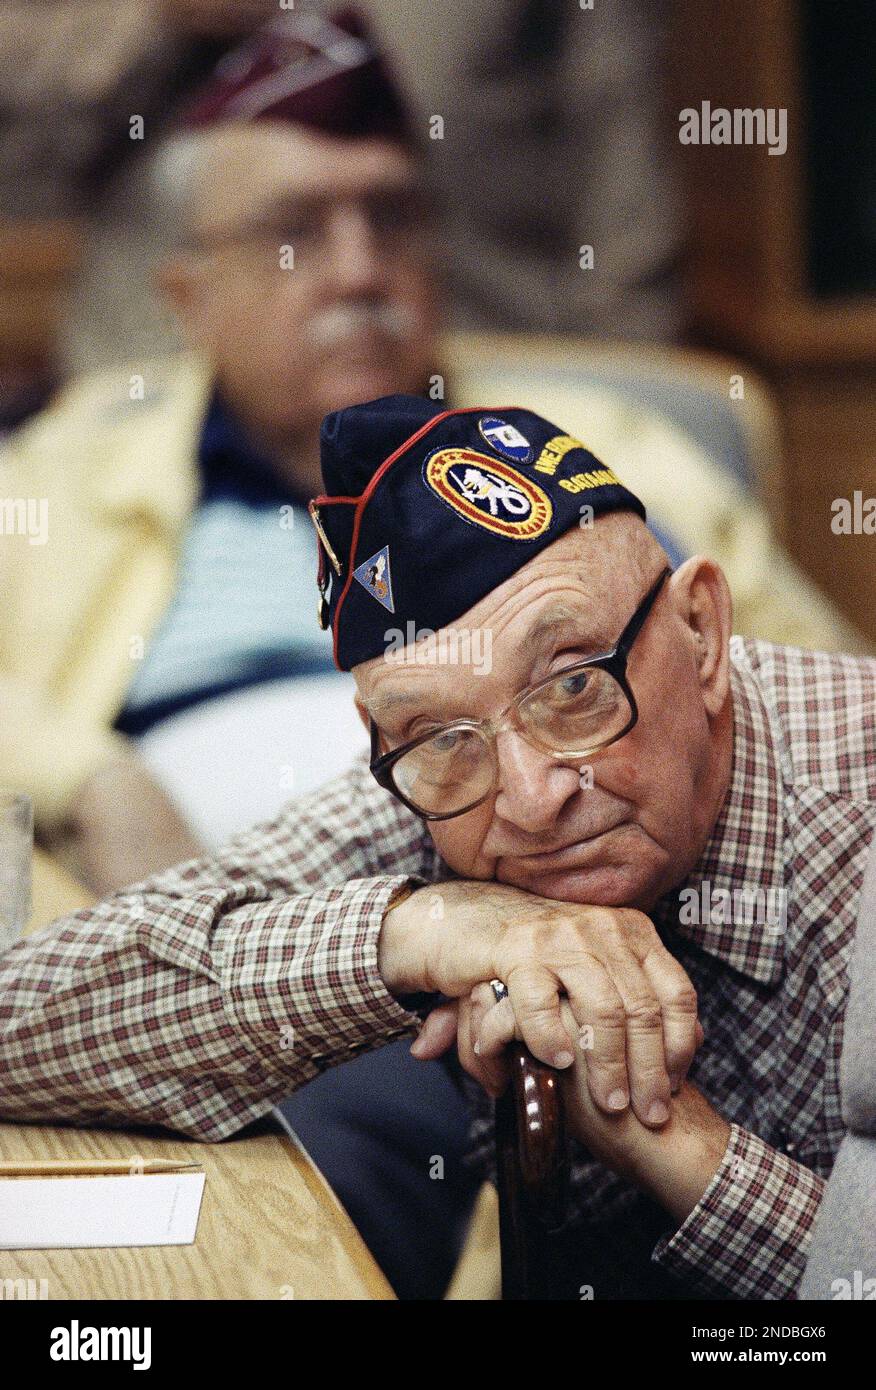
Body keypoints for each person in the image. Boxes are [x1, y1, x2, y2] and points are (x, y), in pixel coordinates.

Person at [2, 395, 874, 1299]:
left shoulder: (861, 814)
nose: (532, 800)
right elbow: (16, 1012)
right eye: (442, 735)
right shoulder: (441, 783)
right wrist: (424, 929)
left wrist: (670, 1139)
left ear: (700, 630)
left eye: (575, 687)